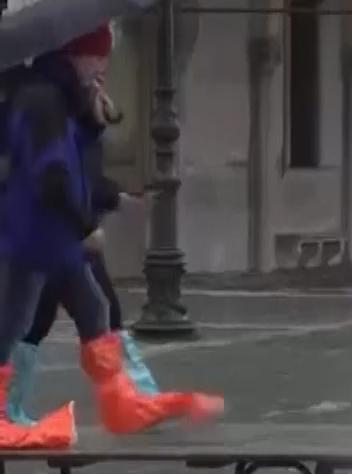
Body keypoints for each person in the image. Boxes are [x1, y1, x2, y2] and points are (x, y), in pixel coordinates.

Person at [0, 26, 222, 444]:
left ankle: (124, 403)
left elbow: (78, 168)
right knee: (14, 324)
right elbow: (52, 178)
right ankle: (10, 409)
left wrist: (92, 117)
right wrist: (85, 227)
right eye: (97, 56)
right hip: (33, 238)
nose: (103, 66)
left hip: (53, 240)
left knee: (94, 308)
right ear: (76, 56)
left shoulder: (60, 98)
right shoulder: (43, 100)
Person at [8, 57, 165, 421]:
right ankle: (136, 397)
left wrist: (99, 122)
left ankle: (136, 398)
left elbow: (85, 175)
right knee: (35, 322)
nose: (101, 80)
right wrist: (86, 227)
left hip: (59, 238)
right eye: (95, 70)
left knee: (67, 316)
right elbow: (62, 181)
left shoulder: (72, 110)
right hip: (52, 237)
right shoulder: (51, 109)